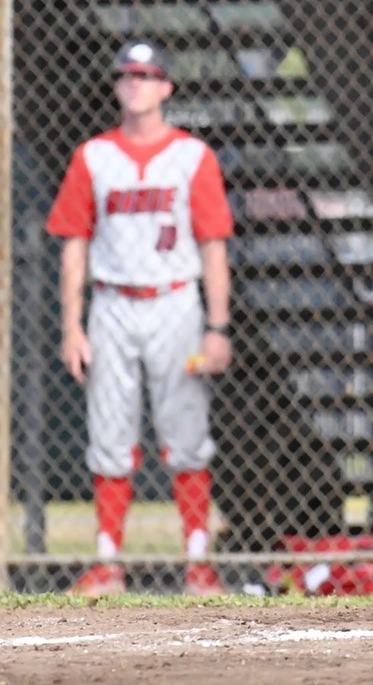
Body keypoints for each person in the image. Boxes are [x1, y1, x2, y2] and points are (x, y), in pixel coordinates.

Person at [46, 40, 234, 596]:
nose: (136, 83)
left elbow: (213, 245)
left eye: (148, 75)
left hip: (176, 299)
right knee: (109, 431)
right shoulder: (94, 155)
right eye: (127, 75)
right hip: (111, 302)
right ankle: (108, 562)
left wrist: (217, 328)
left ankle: (198, 563)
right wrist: (71, 325)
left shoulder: (192, 155)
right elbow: (74, 244)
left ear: (166, 87)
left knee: (185, 432)